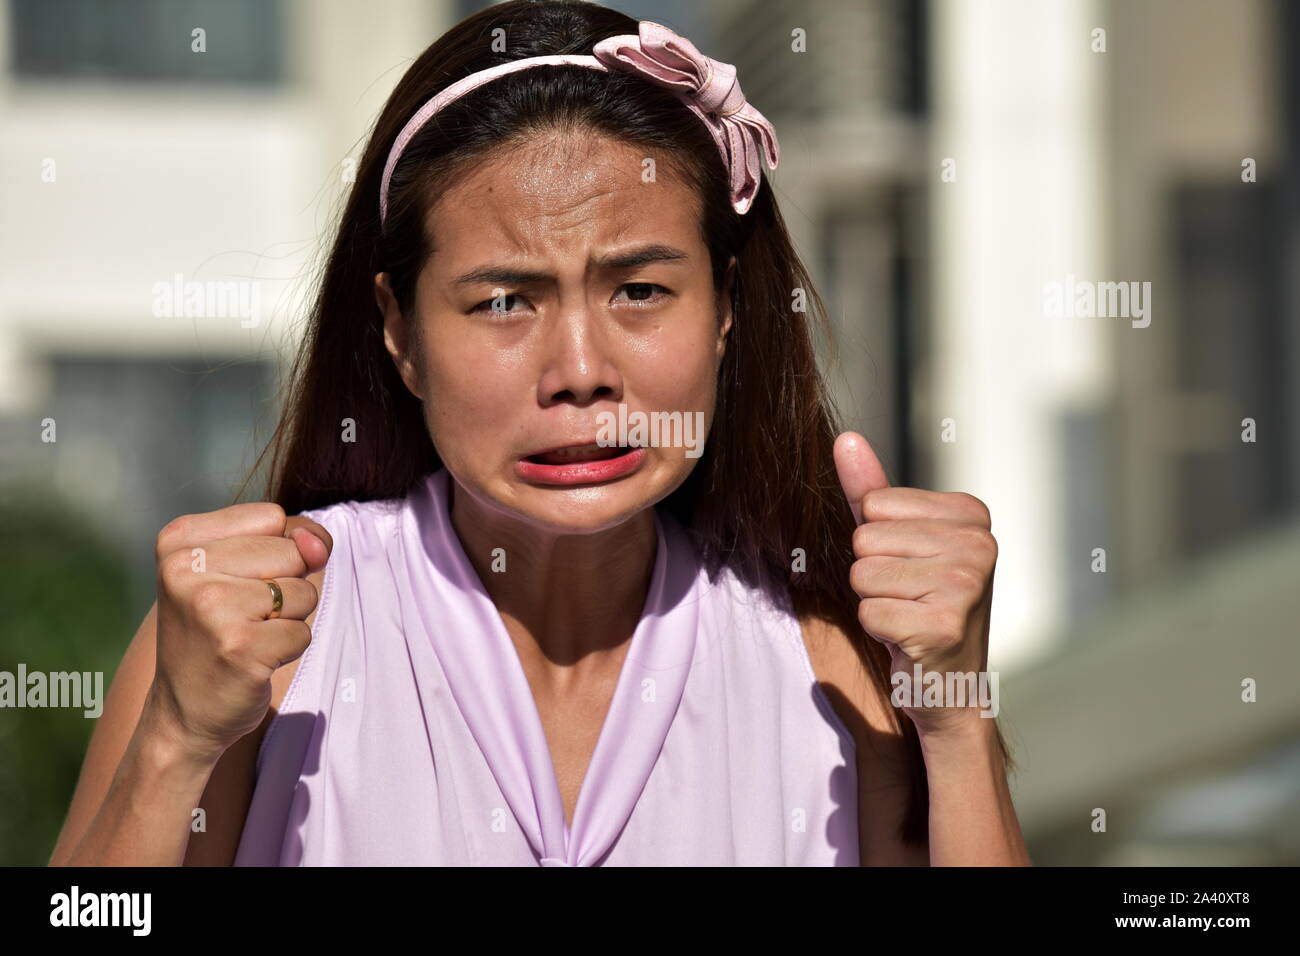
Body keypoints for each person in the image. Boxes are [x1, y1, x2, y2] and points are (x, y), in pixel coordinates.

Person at [49, 0, 1029, 866]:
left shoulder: (833, 671)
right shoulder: (263, 645)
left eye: (640, 291)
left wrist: (956, 725)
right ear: (399, 331)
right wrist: (174, 740)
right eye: (505, 300)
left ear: (727, 306)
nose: (579, 370)